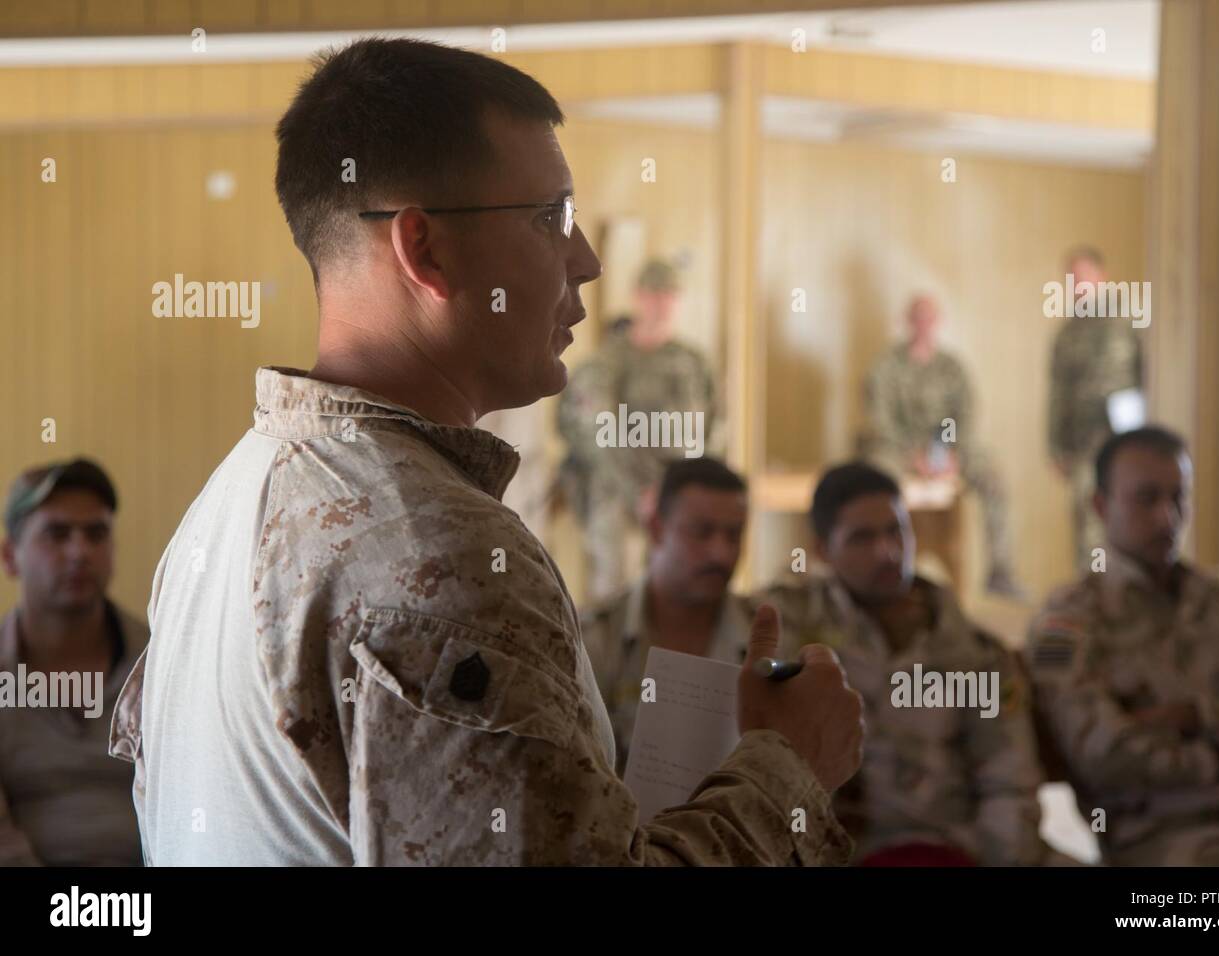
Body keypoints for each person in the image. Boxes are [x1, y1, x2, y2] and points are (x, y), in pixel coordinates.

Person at [108, 37, 862, 866]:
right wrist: (789, 766)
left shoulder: (222, 506)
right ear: (424, 249)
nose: (587, 261)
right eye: (552, 220)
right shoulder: (436, 551)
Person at [1026, 426, 1219, 865]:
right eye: (1147, 499)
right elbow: (1104, 755)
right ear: (1100, 505)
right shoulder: (1069, 622)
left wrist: (1195, 716)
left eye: (1179, 498)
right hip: (1169, 842)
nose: (1168, 518)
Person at [757, 463, 1047, 866]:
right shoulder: (796, 632)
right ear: (822, 550)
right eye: (862, 538)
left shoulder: (973, 650)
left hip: (961, 851)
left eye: (896, 530)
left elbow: (1009, 784)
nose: (888, 552)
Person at [0, 458, 147, 865]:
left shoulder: (159, 663)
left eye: (96, 534)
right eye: (57, 534)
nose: (80, 552)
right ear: (10, 557)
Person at [556, 258, 722, 602]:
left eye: (669, 294)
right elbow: (594, 439)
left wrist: (682, 493)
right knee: (614, 603)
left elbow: (715, 434)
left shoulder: (694, 364)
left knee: (683, 599)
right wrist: (643, 493)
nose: (661, 304)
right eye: (653, 294)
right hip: (619, 501)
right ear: (637, 297)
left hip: (680, 503)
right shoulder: (605, 364)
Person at [582, 457, 756, 774]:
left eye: (734, 535)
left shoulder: (766, 638)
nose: (721, 553)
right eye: (702, 532)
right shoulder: (595, 640)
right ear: (656, 528)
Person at [862, 294, 1020, 597]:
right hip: (900, 450)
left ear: (937, 322)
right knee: (877, 475)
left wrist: (948, 452)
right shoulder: (887, 367)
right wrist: (913, 456)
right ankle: (883, 564)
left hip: (945, 450)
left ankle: (1000, 571)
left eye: (929, 317)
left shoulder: (952, 368)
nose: (923, 324)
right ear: (908, 322)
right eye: (917, 317)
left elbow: (965, 415)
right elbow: (882, 420)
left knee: (992, 474)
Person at [1047, 246, 1144, 571]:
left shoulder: (1130, 319)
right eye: (1072, 279)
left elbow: (1151, 374)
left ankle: (1131, 595)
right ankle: (1092, 596)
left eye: (1083, 277)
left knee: (1133, 513)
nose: (1078, 285)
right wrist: (1056, 446)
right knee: (1087, 518)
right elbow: (1057, 393)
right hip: (1084, 443)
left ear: (1101, 277)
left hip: (1127, 439)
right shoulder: (1067, 335)